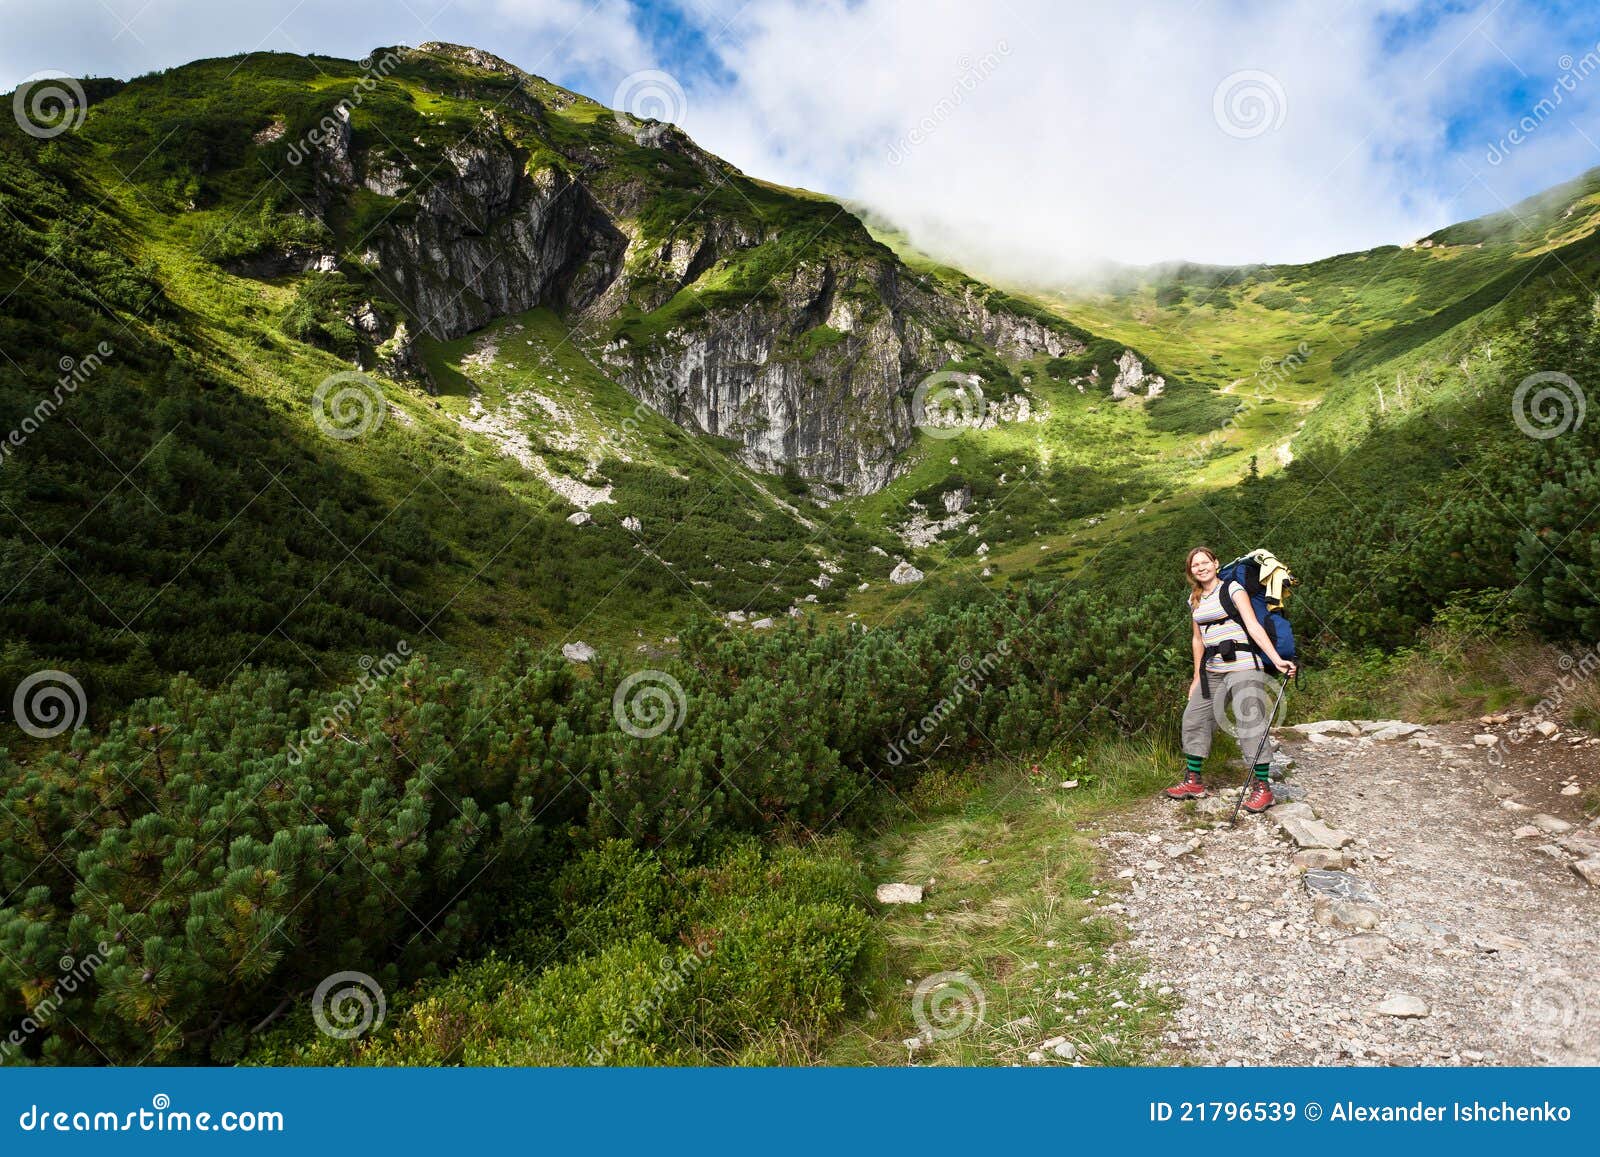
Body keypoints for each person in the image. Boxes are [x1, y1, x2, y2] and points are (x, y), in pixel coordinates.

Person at [1164, 546, 1296, 811]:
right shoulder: (1194, 599)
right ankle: (1194, 780)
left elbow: (1253, 626)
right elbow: (1197, 639)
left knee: (1250, 721)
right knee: (1194, 717)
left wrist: (1277, 659)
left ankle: (1263, 788)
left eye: (1205, 562)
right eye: (1195, 565)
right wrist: (1194, 678)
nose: (1200, 568)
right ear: (1190, 571)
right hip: (1212, 669)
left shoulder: (1234, 589)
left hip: (1244, 664)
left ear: (1216, 563)